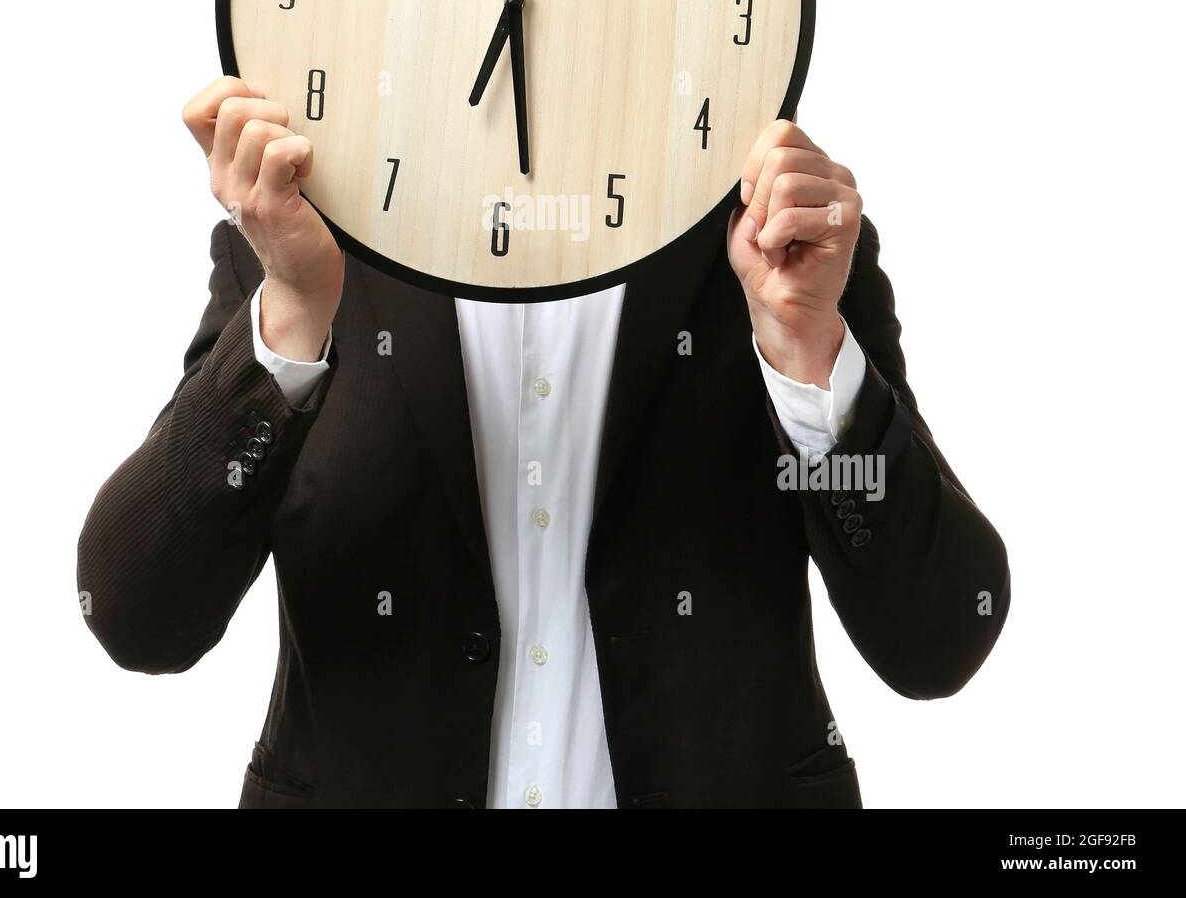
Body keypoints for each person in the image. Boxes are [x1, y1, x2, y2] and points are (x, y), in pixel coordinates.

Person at [77, 75, 1010, 808]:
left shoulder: (780, 243)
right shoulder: (301, 236)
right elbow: (136, 614)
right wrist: (288, 317)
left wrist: (811, 358)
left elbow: (939, 637)